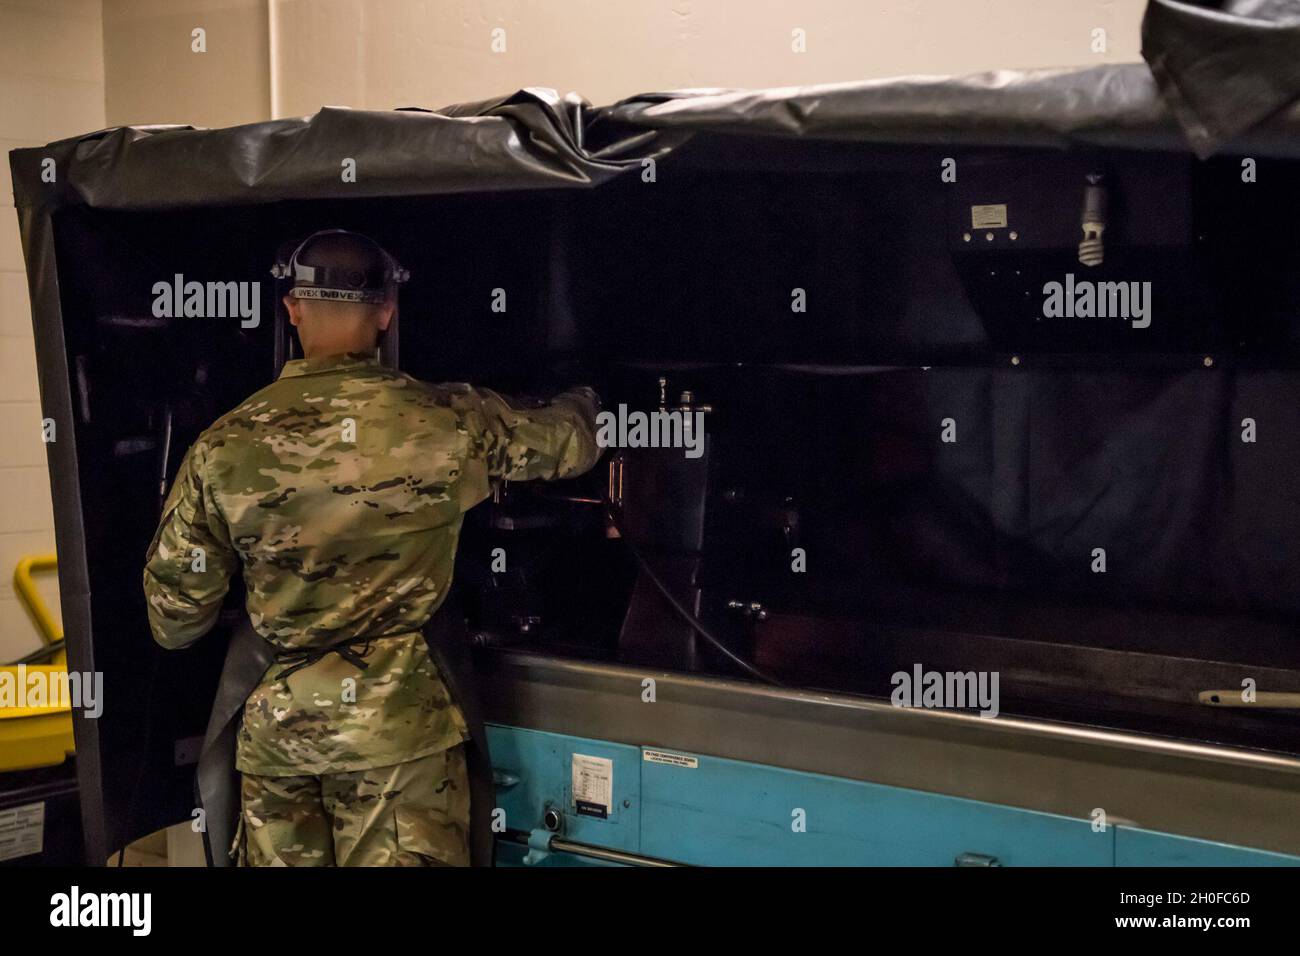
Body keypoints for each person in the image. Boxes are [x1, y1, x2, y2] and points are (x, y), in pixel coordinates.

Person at [143, 229, 601, 865]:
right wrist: (581, 392)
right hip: (400, 745)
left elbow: (174, 621)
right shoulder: (449, 421)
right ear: (385, 313)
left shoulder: (222, 446)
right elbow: (571, 446)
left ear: (293, 309)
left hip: (278, 751)